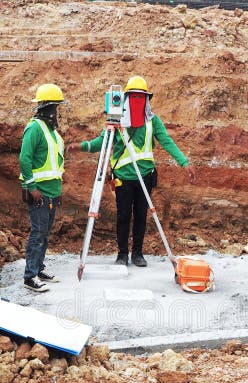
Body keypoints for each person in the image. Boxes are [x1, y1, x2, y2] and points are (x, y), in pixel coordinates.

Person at [80, 75, 196, 267]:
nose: (136, 101)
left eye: (141, 97)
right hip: (123, 178)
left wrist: (184, 162)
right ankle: (122, 254)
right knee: (123, 216)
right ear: (125, 98)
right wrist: (82, 146)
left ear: (147, 99)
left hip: (146, 176)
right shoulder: (117, 121)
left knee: (141, 216)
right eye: (133, 96)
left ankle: (138, 254)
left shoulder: (153, 121)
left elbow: (167, 141)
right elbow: (101, 142)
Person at [19, 83, 66, 292]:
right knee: (38, 234)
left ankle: (39, 269)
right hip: (39, 192)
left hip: (52, 192)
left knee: (45, 234)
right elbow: (24, 159)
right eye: (53, 107)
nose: (55, 112)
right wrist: (31, 186)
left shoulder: (52, 132)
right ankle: (30, 276)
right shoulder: (35, 128)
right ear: (44, 107)